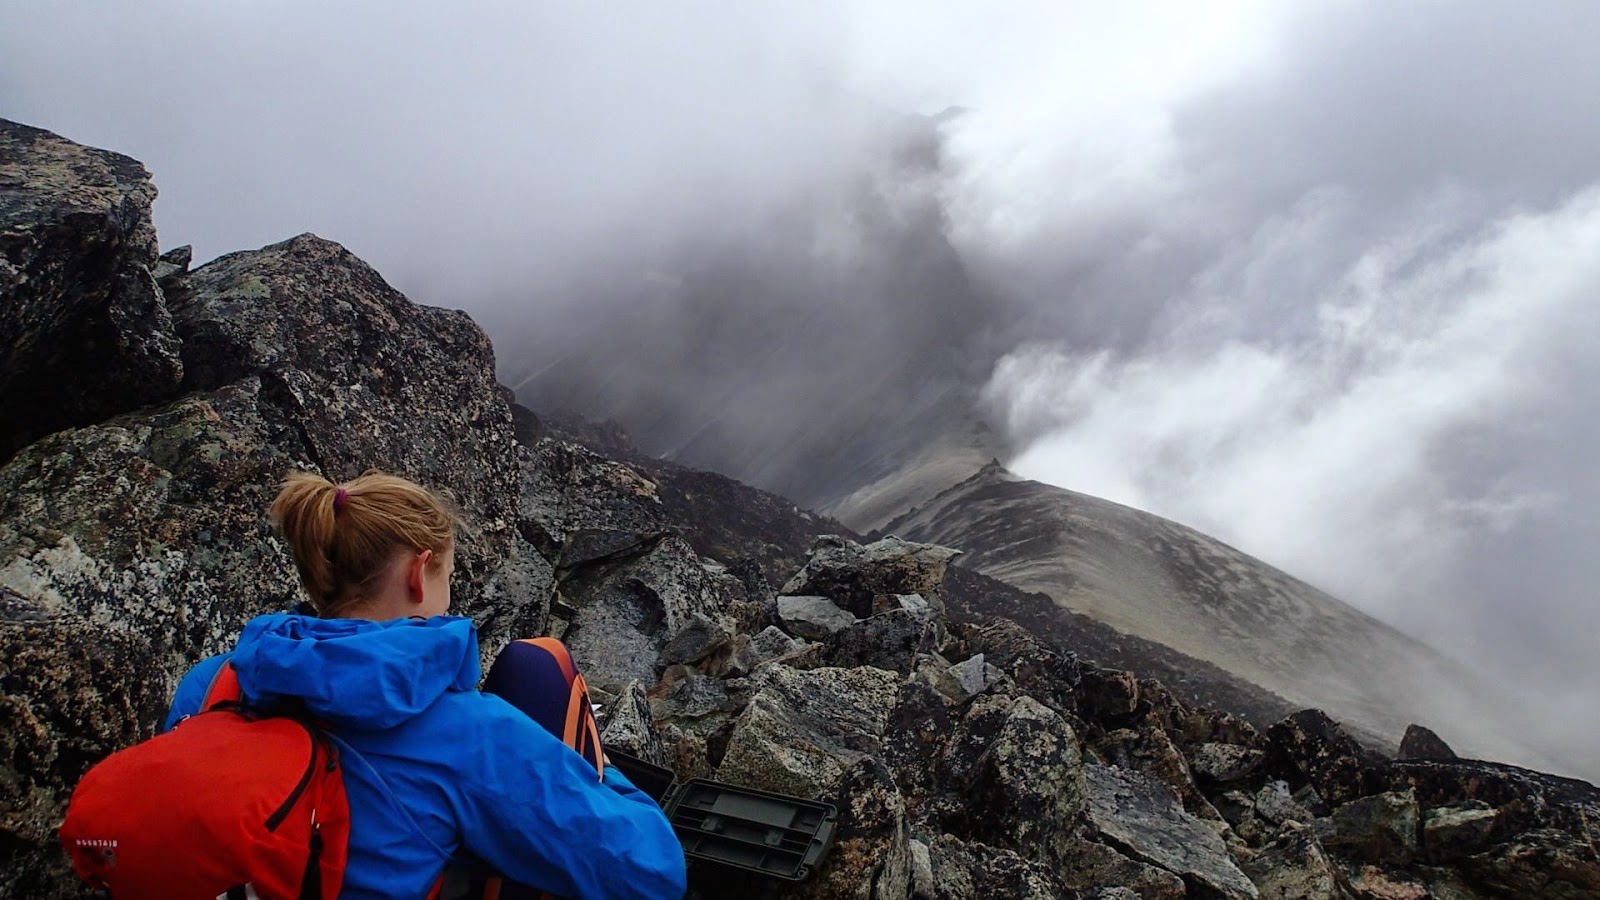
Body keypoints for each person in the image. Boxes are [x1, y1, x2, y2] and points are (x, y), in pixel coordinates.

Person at [163, 470, 687, 900]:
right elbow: (653, 874)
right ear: (419, 573)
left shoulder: (211, 684)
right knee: (541, 663)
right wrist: (604, 771)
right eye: (447, 577)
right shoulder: (461, 732)